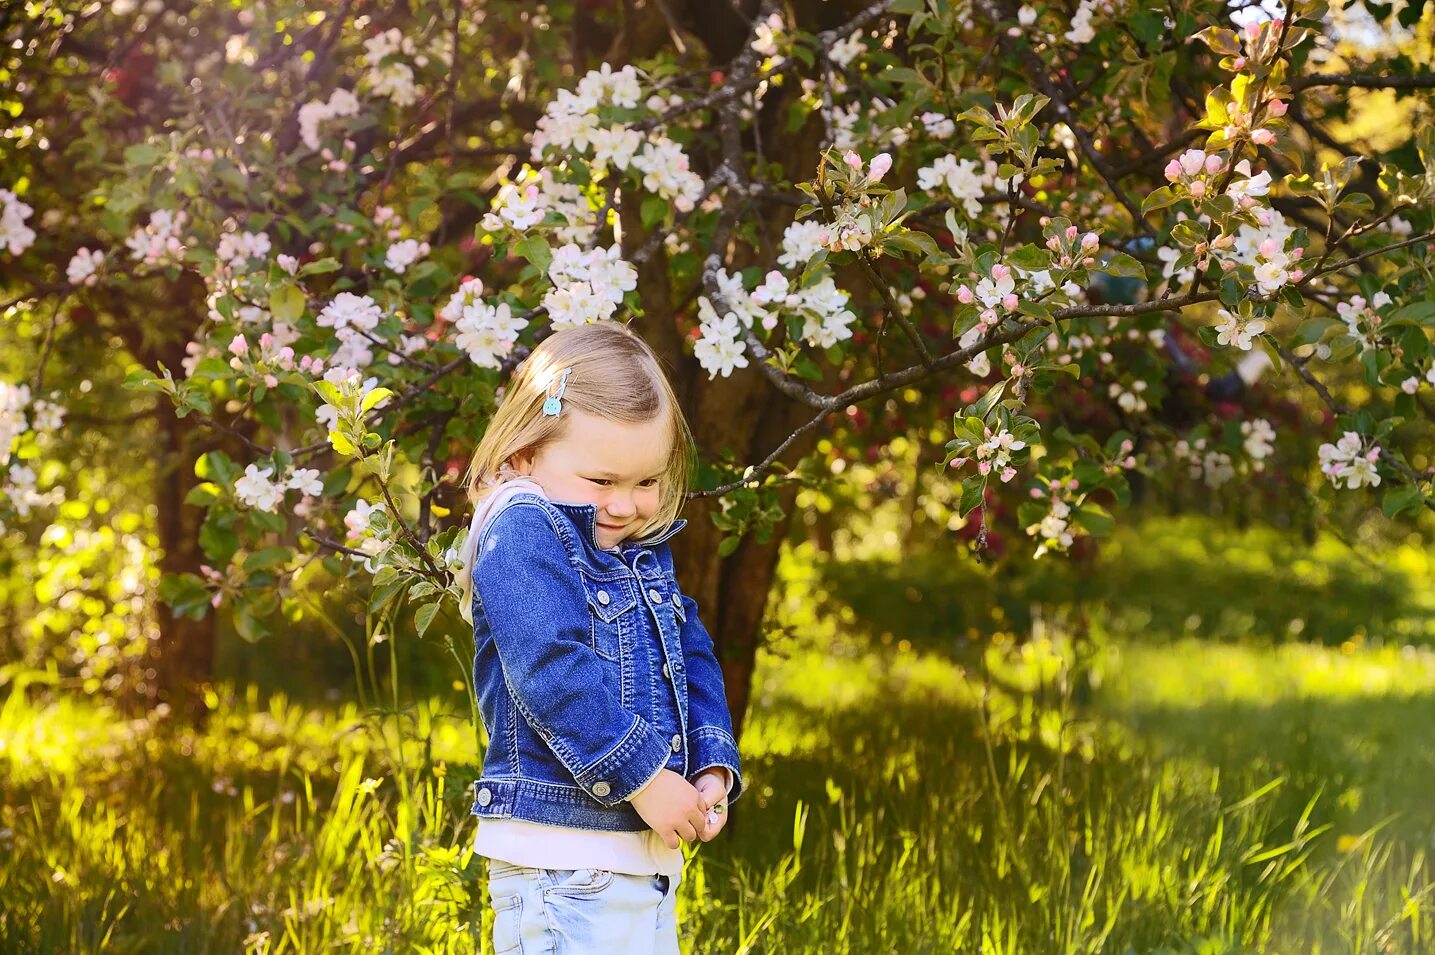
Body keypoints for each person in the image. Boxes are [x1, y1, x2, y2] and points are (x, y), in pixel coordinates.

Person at [457, 321, 744, 954]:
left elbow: (691, 655)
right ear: (526, 454)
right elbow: (550, 670)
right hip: (562, 864)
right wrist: (643, 777)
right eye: (602, 482)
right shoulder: (523, 529)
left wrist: (709, 765)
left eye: (646, 483)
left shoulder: (635, 552)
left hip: (631, 862)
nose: (625, 506)